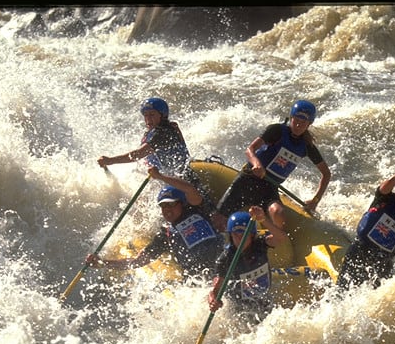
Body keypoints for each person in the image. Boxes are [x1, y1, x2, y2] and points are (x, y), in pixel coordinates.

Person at [85, 166, 223, 282]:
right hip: (200, 281)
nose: (167, 210)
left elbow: (190, 190)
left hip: (223, 267)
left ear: (182, 203)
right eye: (163, 206)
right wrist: (103, 263)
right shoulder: (165, 235)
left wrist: (160, 177)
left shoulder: (197, 209)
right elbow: (137, 262)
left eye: (171, 204)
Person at [213, 100, 331, 231]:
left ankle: (275, 241)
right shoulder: (276, 131)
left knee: (279, 214)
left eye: (303, 123)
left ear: (309, 124)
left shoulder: (307, 146)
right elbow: (250, 150)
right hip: (247, 180)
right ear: (291, 118)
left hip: (269, 188)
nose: (298, 125)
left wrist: (315, 201)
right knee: (217, 221)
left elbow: (326, 174)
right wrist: (257, 164)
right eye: (296, 120)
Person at [97, 97, 216, 219]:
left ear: (162, 115)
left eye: (152, 115)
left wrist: (110, 160)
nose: (148, 119)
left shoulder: (164, 132)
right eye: (146, 115)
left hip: (184, 182)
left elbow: (137, 154)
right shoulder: (151, 133)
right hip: (168, 180)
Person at [336, 154, 395, 289]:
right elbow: (391, 181)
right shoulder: (384, 198)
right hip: (360, 251)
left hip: (383, 262)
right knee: (343, 289)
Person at [207, 206, 287, 327]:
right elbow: (215, 290)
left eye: (244, 233)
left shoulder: (260, 244)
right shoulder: (226, 259)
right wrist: (213, 301)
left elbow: (282, 238)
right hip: (241, 312)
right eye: (236, 234)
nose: (240, 238)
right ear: (230, 235)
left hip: (264, 303)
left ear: (252, 235)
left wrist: (263, 220)